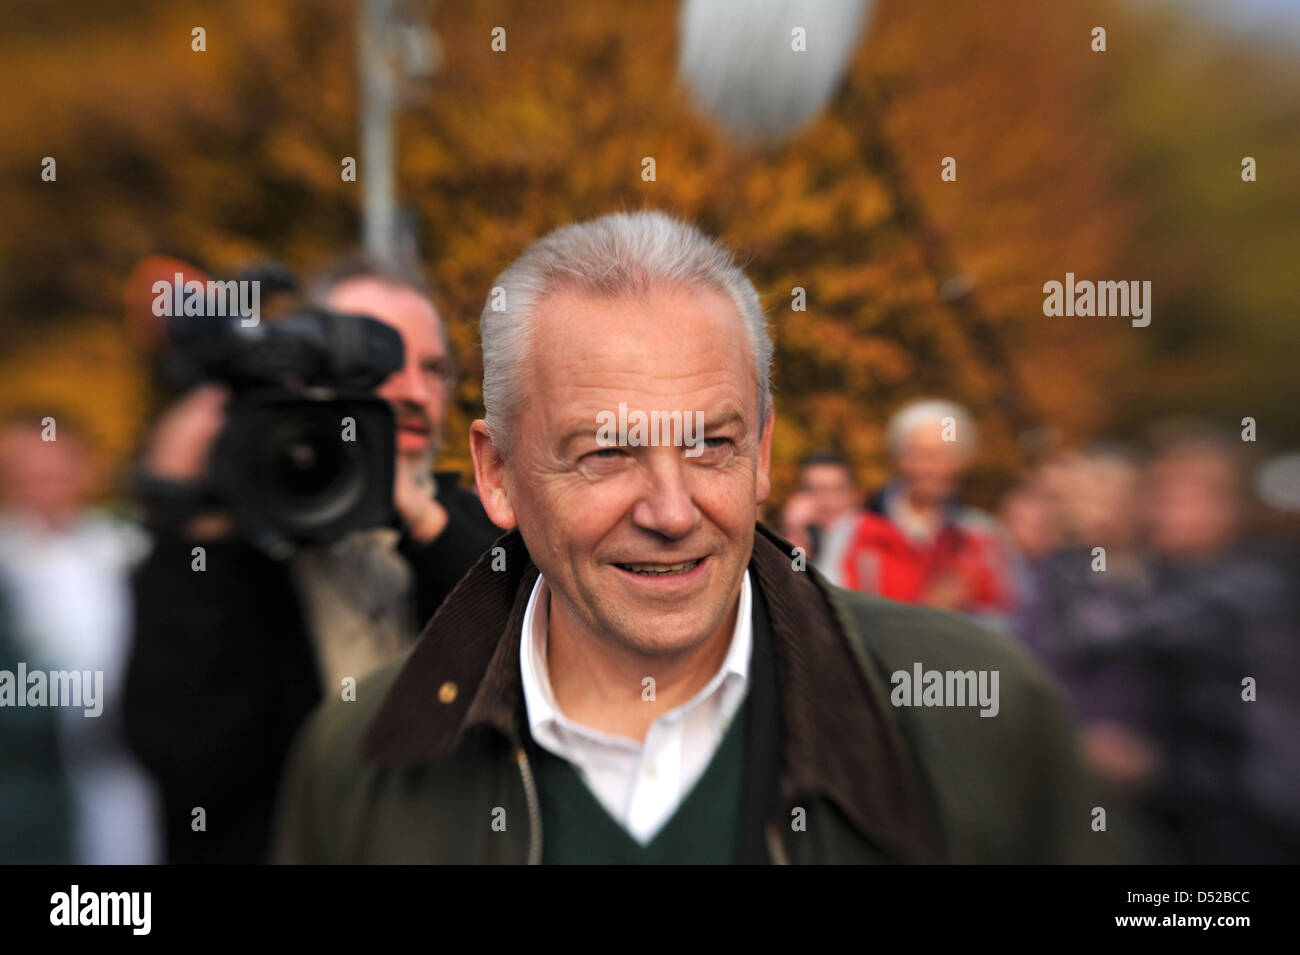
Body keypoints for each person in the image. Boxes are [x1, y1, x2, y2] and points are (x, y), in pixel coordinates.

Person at [273, 211, 1108, 864]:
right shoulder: (359, 765)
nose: (672, 511)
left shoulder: (983, 715)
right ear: (497, 474)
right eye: (606, 451)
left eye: (711, 443)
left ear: (764, 455)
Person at [124, 256, 500, 864]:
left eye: (432, 369)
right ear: (295, 373)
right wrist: (200, 530)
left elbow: (537, 677)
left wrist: (420, 521)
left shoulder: (488, 528)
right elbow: (182, 761)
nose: (410, 391)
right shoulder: (223, 553)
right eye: (377, 361)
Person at [0, 413, 160, 864]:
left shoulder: (124, 548)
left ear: (85, 469)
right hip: (32, 781)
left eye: (54, 469)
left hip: (126, 769)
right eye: (24, 472)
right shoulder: (6, 562)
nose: (41, 484)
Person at [839, 399, 1017, 630]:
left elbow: (1009, 625)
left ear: (961, 462)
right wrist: (925, 612)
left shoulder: (982, 536)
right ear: (898, 459)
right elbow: (835, 616)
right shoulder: (855, 530)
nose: (930, 468)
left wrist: (966, 613)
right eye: (919, 455)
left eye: (943, 455)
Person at [778, 450, 862, 586]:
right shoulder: (800, 540)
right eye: (813, 490)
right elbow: (795, 585)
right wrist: (796, 534)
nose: (824, 500)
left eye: (833, 491)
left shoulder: (873, 541)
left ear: (853, 494)